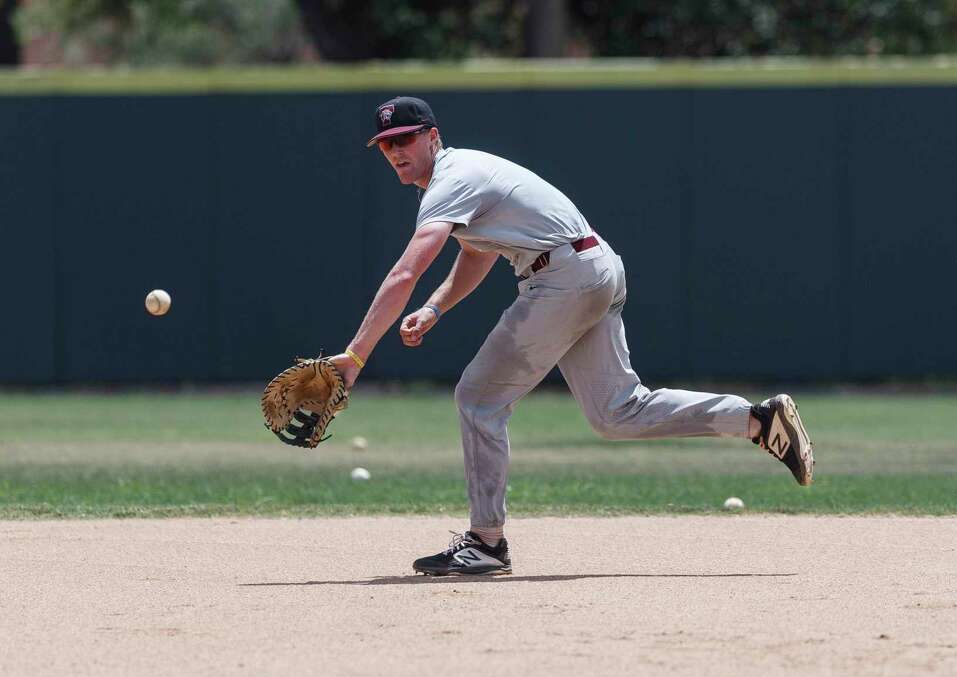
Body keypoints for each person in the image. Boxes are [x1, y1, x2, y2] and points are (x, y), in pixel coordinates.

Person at [328, 96, 814, 577]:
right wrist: (436, 307)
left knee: (479, 397)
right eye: (386, 143)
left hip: (562, 278)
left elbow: (405, 272)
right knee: (617, 413)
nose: (395, 150)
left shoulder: (451, 180)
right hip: (591, 267)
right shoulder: (461, 176)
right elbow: (477, 253)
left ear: (433, 137)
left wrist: (355, 356)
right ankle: (757, 421)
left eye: (405, 138)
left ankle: (486, 542)